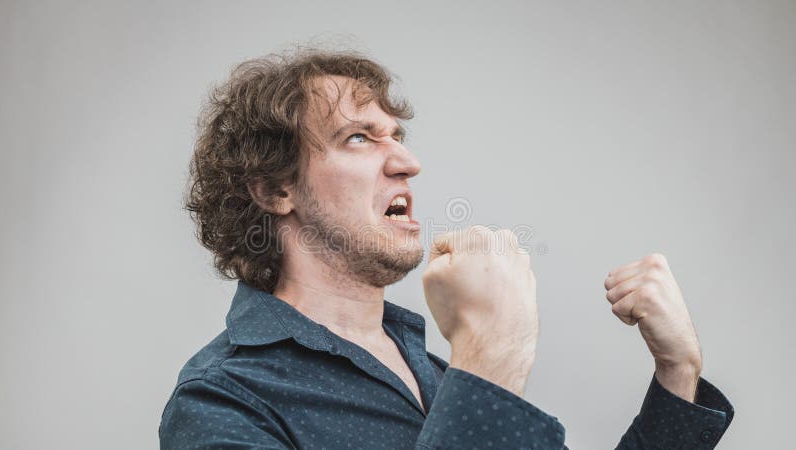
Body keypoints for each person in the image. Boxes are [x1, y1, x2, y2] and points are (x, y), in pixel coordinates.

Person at [159, 48, 733, 449]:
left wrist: (677, 375)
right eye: (358, 136)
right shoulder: (222, 400)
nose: (408, 163)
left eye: (398, 136)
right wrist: (490, 353)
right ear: (276, 188)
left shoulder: (438, 373)